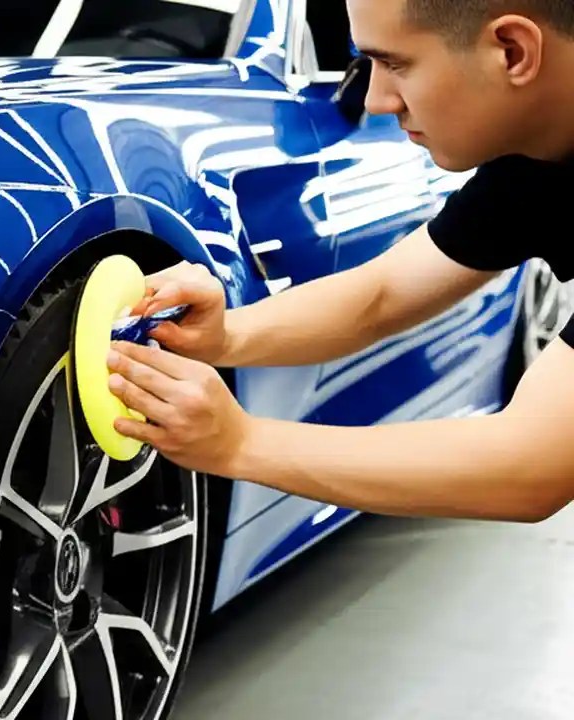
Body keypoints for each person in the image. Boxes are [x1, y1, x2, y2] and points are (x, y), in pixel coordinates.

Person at [105, 0, 574, 523]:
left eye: (395, 64)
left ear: (512, 52)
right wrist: (222, 337)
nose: (374, 99)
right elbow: (383, 295)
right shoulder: (533, 167)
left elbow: (531, 465)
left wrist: (240, 442)